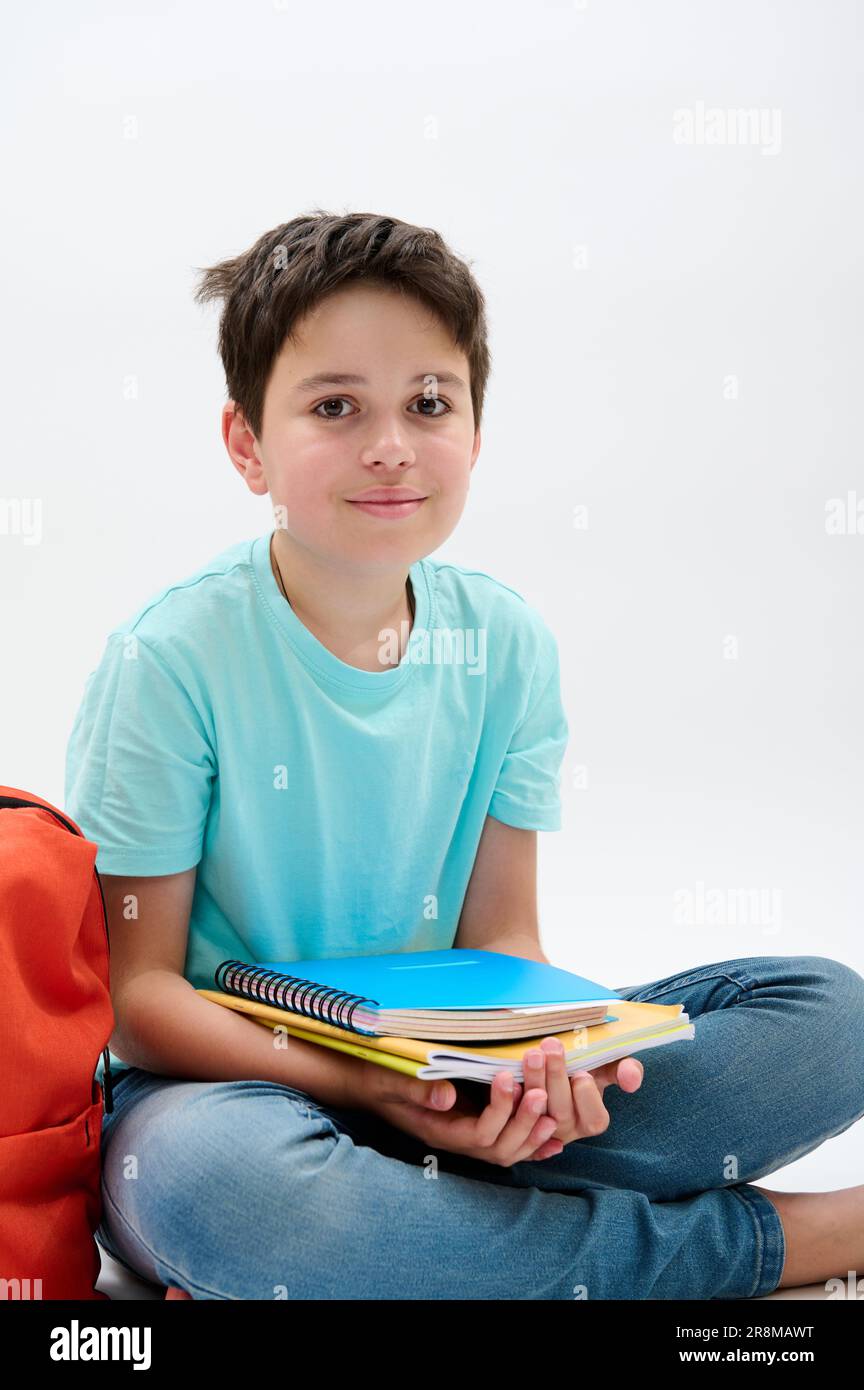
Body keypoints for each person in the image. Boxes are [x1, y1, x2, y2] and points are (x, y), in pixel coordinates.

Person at [65, 210, 864, 1300]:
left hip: (447, 1071)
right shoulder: (168, 659)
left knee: (831, 1019)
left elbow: (502, 943)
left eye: (429, 403)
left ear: (477, 432)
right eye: (335, 407)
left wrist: (533, 1075)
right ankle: (774, 1243)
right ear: (247, 444)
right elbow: (137, 995)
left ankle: (424, 1225)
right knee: (227, 1192)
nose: (391, 445)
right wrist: (360, 1082)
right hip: (229, 1092)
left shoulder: (507, 642)